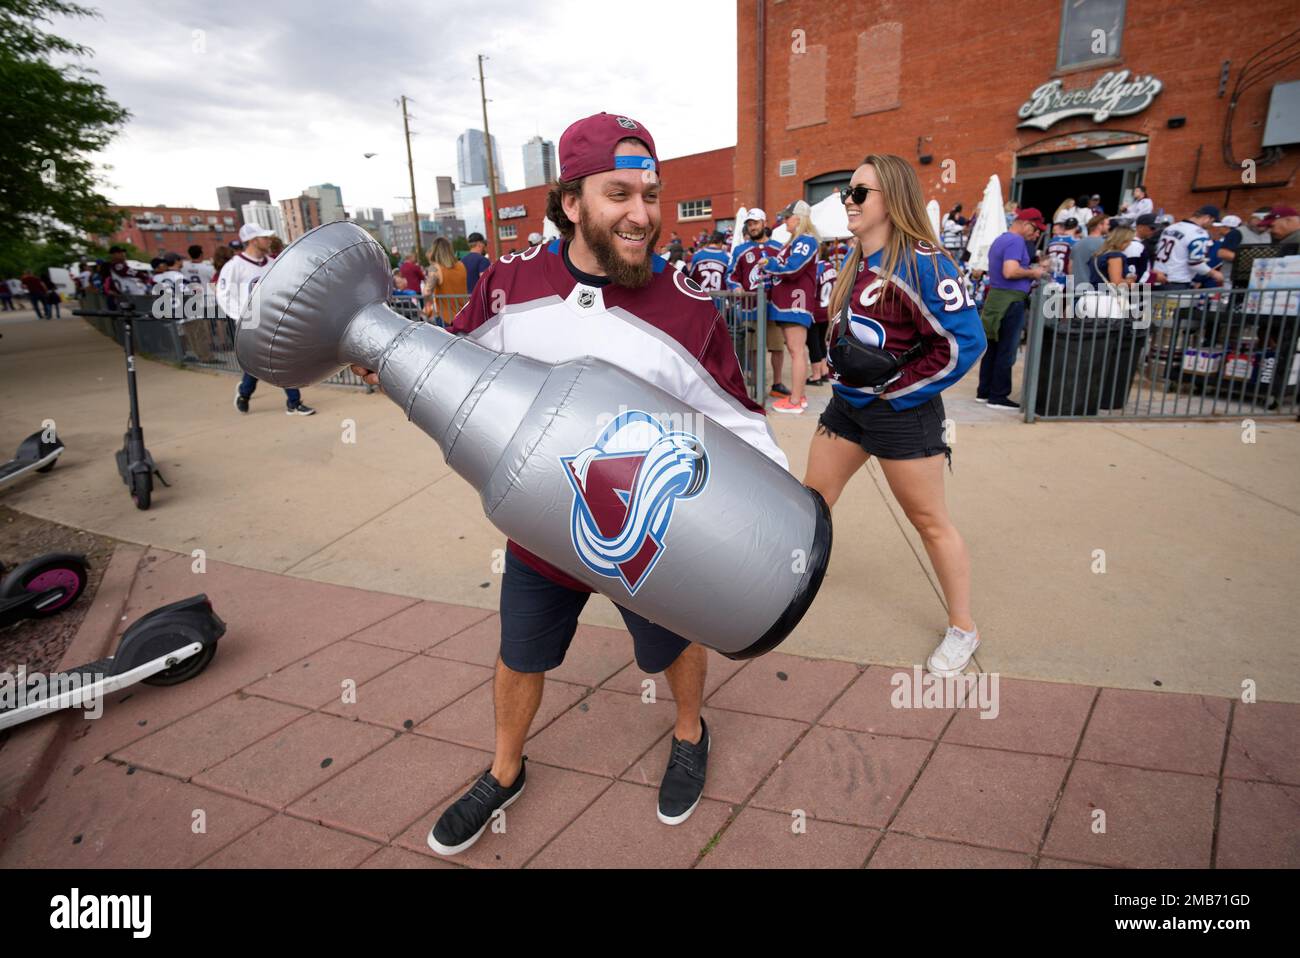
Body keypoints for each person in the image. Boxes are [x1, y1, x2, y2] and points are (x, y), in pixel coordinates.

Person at [351, 111, 787, 857]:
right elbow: (450, 359)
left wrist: (775, 517)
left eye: (652, 195)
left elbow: (740, 420)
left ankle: (689, 733)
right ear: (573, 201)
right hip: (542, 527)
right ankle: (505, 770)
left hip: (649, 536)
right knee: (519, 654)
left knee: (678, 644)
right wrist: (382, 356)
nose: (643, 215)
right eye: (621, 194)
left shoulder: (686, 308)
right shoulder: (508, 285)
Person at [802, 154, 985, 678]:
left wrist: (895, 391)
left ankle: (963, 627)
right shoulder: (853, 256)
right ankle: (790, 576)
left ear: (893, 199)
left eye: (860, 193)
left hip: (902, 414)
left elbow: (963, 343)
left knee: (929, 522)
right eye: (847, 193)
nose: (848, 202)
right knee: (812, 502)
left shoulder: (925, 262)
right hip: (847, 407)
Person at [219, 223, 316, 415]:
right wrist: (242, 316)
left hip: (273, 320)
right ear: (253, 241)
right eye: (265, 237)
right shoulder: (234, 266)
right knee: (261, 363)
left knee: (279, 358)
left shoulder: (272, 263)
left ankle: (292, 402)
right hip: (249, 323)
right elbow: (224, 295)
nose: (269, 240)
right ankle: (247, 393)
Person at [978, 208, 1048, 410]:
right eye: (1036, 230)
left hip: (996, 300)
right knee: (1006, 351)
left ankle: (984, 392)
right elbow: (1010, 271)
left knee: (992, 348)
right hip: (1010, 302)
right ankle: (998, 396)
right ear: (1026, 224)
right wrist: (1034, 273)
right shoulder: (1016, 241)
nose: (1036, 235)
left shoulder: (1001, 239)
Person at [761, 200, 821, 413]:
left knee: (796, 352)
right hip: (788, 303)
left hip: (795, 304)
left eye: (788, 217)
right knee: (795, 351)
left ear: (799, 218)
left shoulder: (805, 240)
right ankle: (798, 397)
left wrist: (771, 264)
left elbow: (792, 269)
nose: (784, 220)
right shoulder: (794, 240)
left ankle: (796, 401)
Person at [728, 210, 787, 397]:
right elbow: (731, 274)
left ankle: (777, 383)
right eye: (749, 224)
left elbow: (787, 272)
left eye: (755, 223)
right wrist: (736, 287)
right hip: (750, 308)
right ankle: (755, 381)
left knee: (777, 346)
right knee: (753, 347)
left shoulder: (779, 248)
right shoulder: (740, 250)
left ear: (764, 222)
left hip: (774, 306)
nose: (752, 227)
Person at [1150, 205, 1223, 289]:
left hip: (1157, 277)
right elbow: (1195, 263)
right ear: (1207, 218)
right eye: (1212, 222)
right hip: (1176, 282)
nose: (1211, 225)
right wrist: (1214, 273)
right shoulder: (1198, 233)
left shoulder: (1171, 227)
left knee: (1145, 302)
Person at [422, 236, 467, 327]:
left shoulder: (435, 268)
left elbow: (427, 292)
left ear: (434, 251)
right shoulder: (461, 265)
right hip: (463, 315)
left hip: (445, 317)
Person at [1070, 214, 1109, 279]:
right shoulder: (1105, 244)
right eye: (1108, 224)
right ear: (1099, 225)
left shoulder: (1077, 244)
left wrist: (1070, 288)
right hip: (1096, 287)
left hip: (1077, 286)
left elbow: (1070, 267)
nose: (1109, 227)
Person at [1045, 217, 1079, 285]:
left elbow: (1045, 261)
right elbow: (1071, 266)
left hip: (1050, 280)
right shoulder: (1075, 242)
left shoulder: (1052, 241)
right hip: (1065, 281)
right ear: (1077, 227)